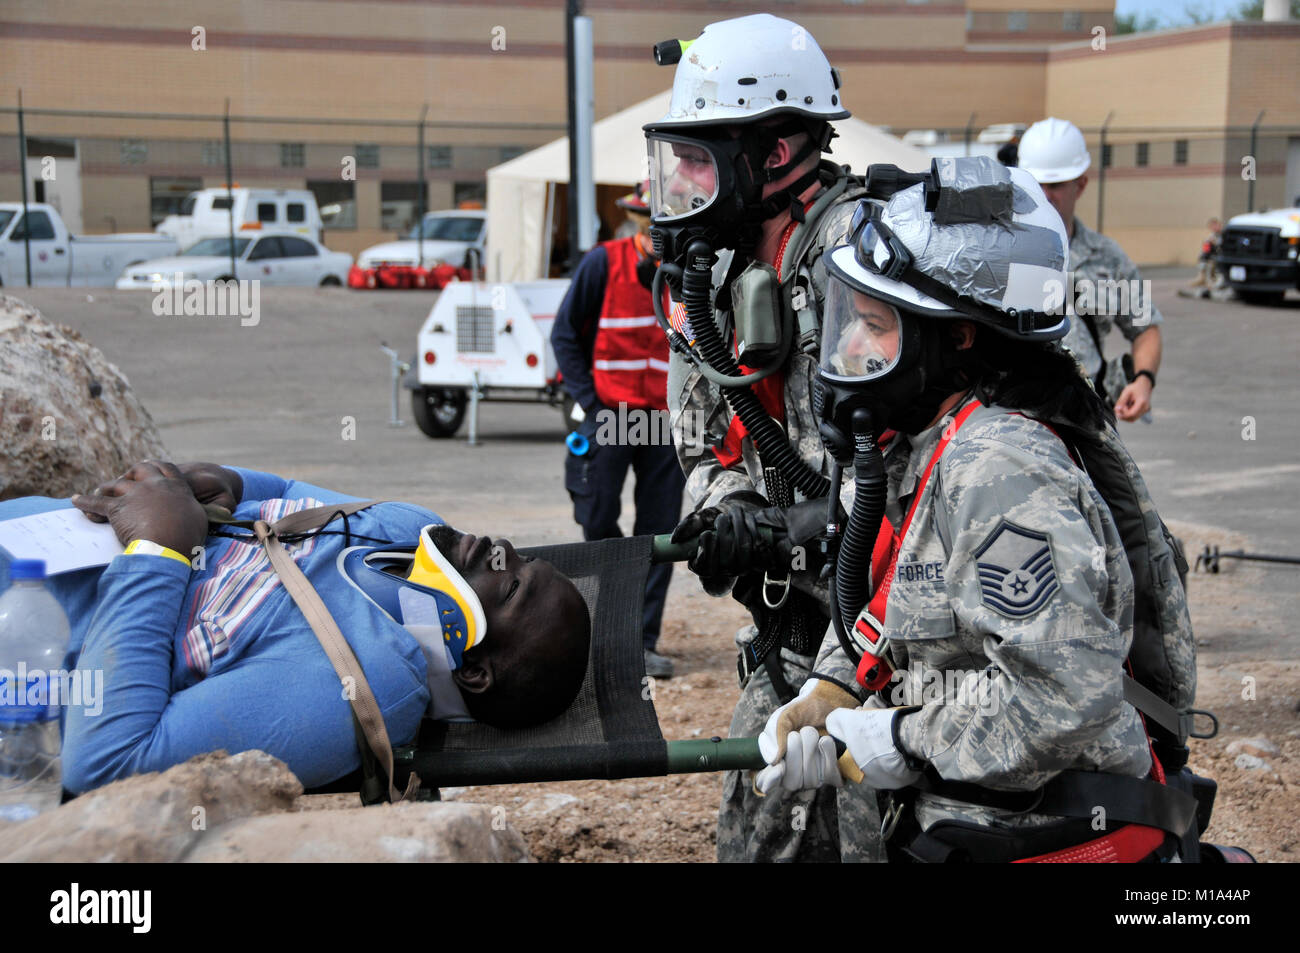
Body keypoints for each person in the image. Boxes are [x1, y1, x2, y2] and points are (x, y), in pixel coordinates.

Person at [755, 157, 1199, 862]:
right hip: (967, 823)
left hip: (1040, 834)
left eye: (874, 324)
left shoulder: (999, 469)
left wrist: (901, 737)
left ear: (957, 337)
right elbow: (896, 592)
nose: (844, 347)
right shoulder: (928, 441)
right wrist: (831, 687)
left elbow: (1061, 700)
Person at [643, 12, 881, 862]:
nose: (678, 182)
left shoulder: (872, 271)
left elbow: (921, 489)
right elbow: (704, 442)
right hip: (800, 617)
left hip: (896, 627)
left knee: (865, 828)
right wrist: (734, 508)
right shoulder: (719, 274)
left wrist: (808, 526)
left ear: (775, 152)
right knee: (756, 828)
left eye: (700, 157)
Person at [0, 460, 591, 794]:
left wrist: (158, 550)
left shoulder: (369, 680)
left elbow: (107, 761)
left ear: (474, 671)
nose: (502, 547)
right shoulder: (408, 528)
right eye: (523, 556)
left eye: (511, 583)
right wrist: (229, 485)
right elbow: (280, 494)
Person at [550, 180, 685, 679]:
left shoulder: (691, 271)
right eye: (650, 220)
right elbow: (564, 335)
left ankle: (639, 641)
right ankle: (599, 627)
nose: (657, 230)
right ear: (636, 219)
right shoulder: (601, 263)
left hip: (663, 421)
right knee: (597, 512)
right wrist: (588, 399)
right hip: (610, 414)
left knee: (660, 531)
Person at [1017, 117, 1163, 423]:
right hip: (1014, 421)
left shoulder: (1107, 258)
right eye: (1035, 184)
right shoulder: (997, 251)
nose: (1044, 195)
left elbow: (1145, 327)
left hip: (1087, 421)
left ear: (1080, 185)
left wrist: (1144, 380)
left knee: (1123, 474)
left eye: (1055, 185)